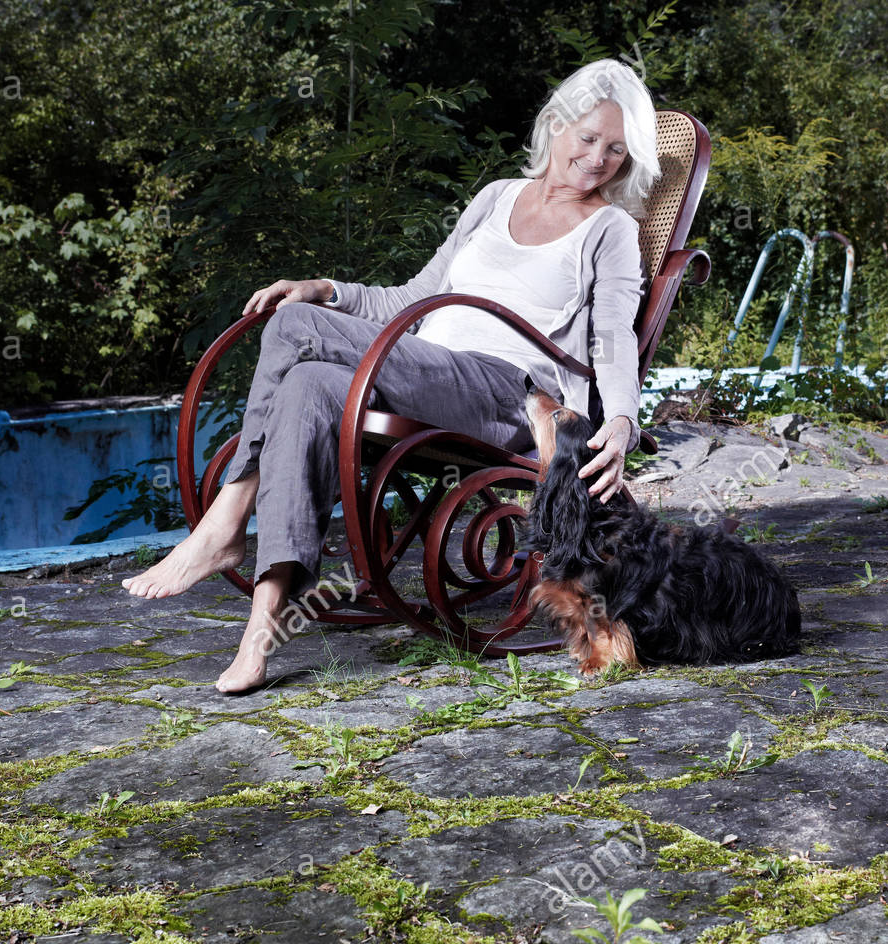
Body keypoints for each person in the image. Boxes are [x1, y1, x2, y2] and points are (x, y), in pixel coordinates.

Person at [123, 59, 662, 694]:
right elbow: (416, 298)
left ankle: (225, 520)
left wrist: (622, 420)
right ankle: (262, 626)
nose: (598, 159)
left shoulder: (611, 229)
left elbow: (612, 338)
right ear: (556, 125)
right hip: (419, 366)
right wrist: (325, 289)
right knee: (305, 385)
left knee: (295, 328)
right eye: (589, 138)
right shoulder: (495, 198)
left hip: (502, 392)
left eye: (616, 151)